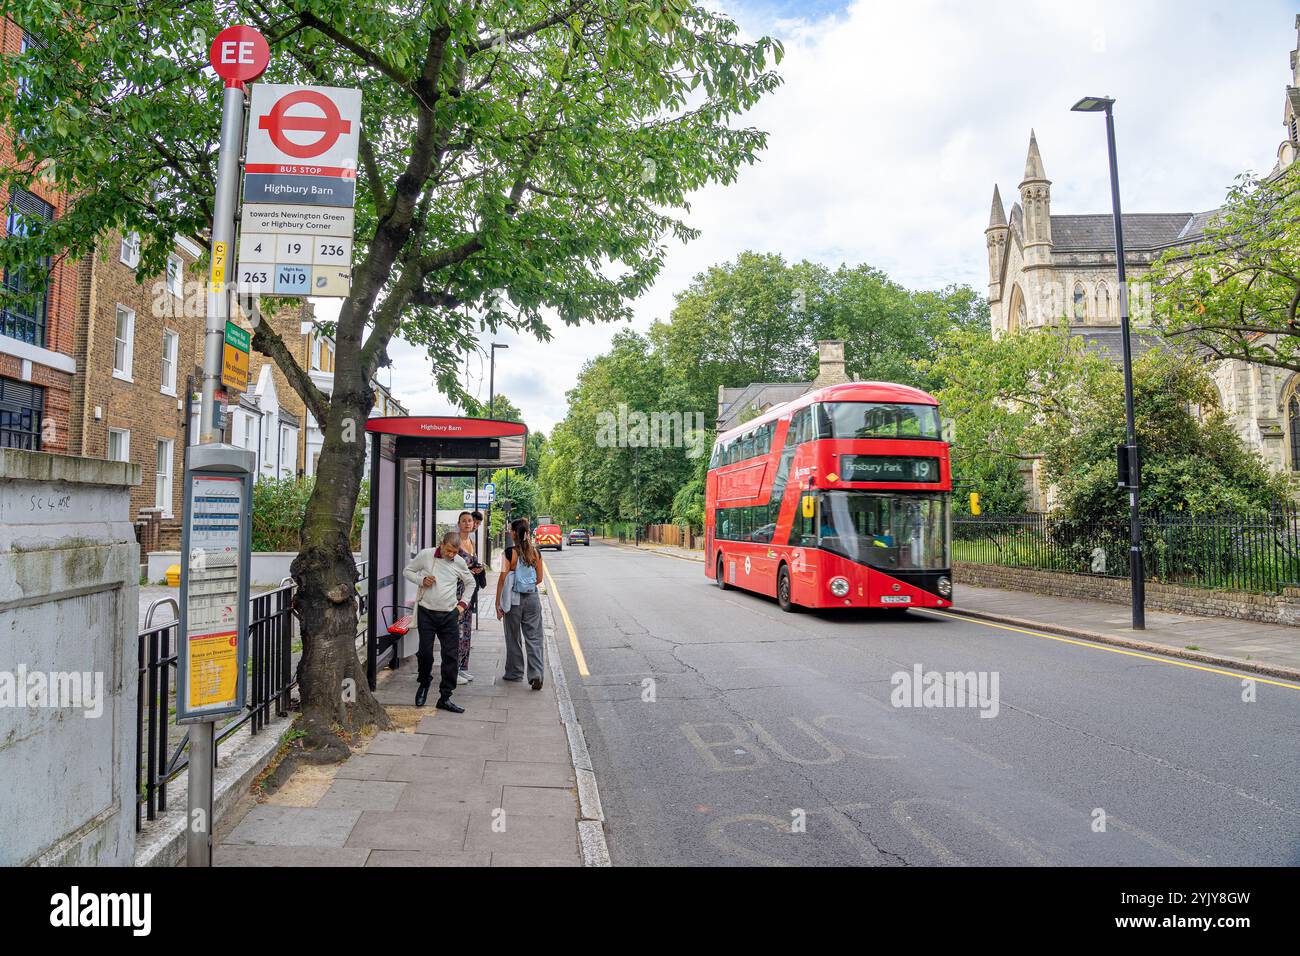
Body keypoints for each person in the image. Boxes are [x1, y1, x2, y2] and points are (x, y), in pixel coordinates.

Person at [403, 530, 477, 712]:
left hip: (449, 615)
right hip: (427, 612)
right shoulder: (426, 555)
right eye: (449, 550)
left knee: (451, 656)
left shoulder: (458, 561)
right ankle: (424, 682)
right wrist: (421, 580)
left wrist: (461, 606)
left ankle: (445, 697)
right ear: (442, 544)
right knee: (425, 653)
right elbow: (407, 571)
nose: (451, 555)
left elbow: (471, 583)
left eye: (455, 552)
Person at [495, 518, 546, 690]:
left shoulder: (508, 553)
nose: (510, 532)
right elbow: (539, 579)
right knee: (534, 638)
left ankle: (514, 673)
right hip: (532, 598)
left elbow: (502, 579)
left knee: (513, 637)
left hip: (513, 600)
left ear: (515, 533)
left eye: (511, 530)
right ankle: (536, 674)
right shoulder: (536, 552)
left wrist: (497, 603)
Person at [454, 510, 486, 683]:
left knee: (466, 629)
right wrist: (468, 571)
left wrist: (478, 569)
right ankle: (454, 669)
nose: (467, 523)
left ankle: (462, 667)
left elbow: (470, 564)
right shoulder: (455, 541)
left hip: (469, 591)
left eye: (469, 521)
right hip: (456, 592)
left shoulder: (470, 541)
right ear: (459, 524)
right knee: (457, 630)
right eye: (464, 521)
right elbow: (448, 565)